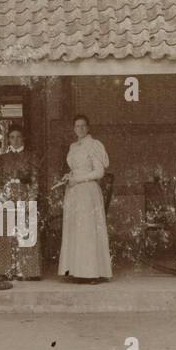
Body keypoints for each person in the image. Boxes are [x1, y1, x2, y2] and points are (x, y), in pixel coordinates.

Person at [57, 115, 112, 282]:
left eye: (83, 126)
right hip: (74, 192)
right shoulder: (73, 146)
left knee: (87, 230)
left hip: (88, 192)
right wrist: (70, 175)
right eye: (77, 126)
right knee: (75, 230)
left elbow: (99, 172)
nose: (80, 129)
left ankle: (92, 273)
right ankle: (76, 271)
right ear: (73, 128)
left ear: (88, 127)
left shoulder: (94, 145)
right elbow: (77, 168)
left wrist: (78, 179)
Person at [0, 125, 42, 279]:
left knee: (25, 232)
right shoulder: (1, 159)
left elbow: (35, 181)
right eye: (12, 137)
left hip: (25, 196)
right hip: (7, 197)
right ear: (8, 139)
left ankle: (28, 271)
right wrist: (1, 197)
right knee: (5, 231)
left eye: (18, 136)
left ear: (23, 138)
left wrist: (31, 198)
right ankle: (3, 271)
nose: (15, 140)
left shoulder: (32, 157)